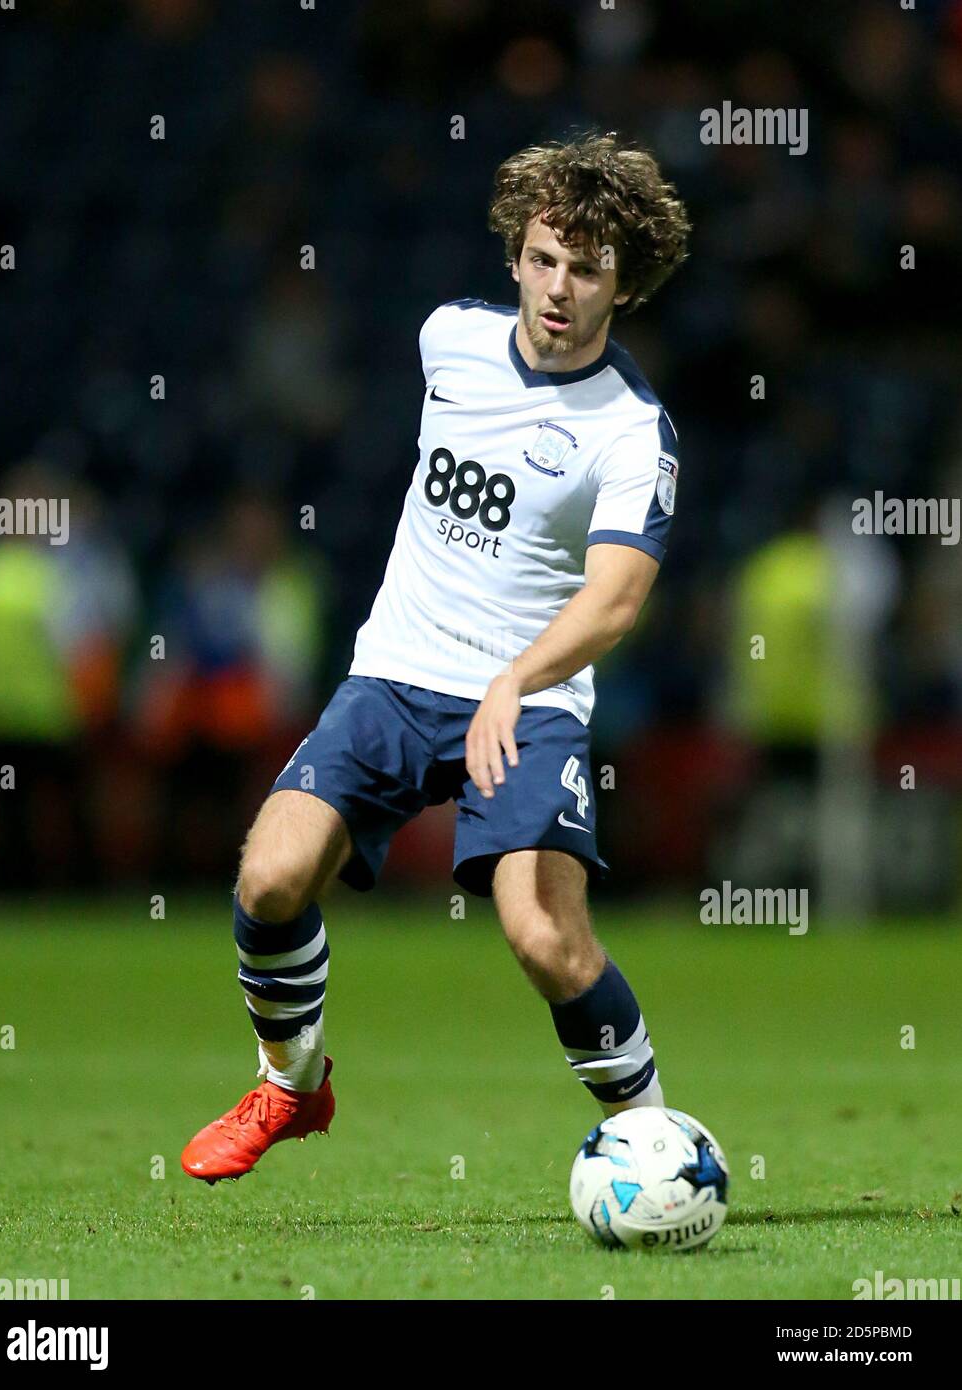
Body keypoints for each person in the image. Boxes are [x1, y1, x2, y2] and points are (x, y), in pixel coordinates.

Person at [181, 133, 691, 1184]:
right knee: (272, 875)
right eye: (544, 258)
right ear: (515, 254)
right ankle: (292, 1083)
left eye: (587, 269)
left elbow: (616, 597)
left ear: (624, 287)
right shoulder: (448, 340)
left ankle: (658, 1137)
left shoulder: (633, 431)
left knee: (543, 938)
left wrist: (517, 677)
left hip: (530, 700)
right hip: (394, 674)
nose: (558, 288)